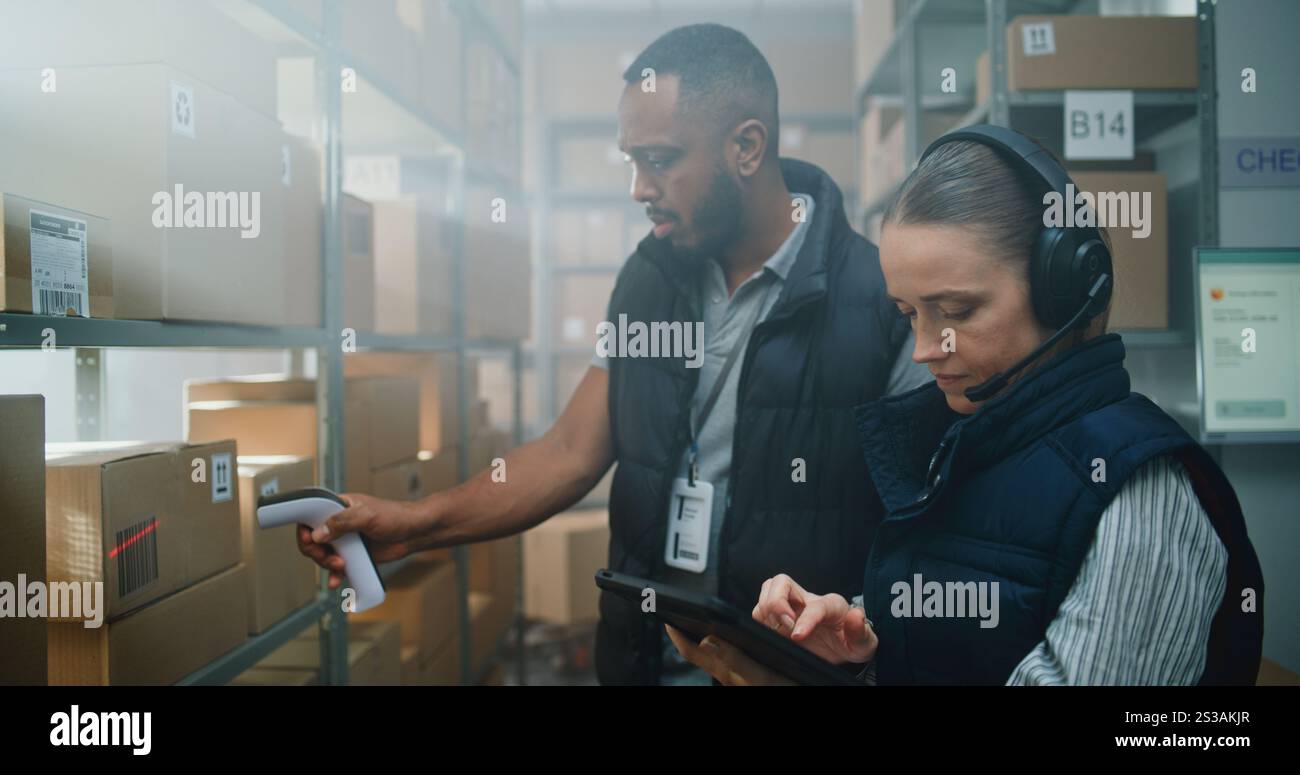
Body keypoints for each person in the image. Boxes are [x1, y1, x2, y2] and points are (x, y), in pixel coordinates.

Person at [297, 23, 930, 685]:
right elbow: (569, 450)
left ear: (746, 147)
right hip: (641, 661)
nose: (638, 187)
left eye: (659, 159)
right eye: (630, 160)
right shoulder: (649, 278)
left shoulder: (879, 303)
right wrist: (414, 523)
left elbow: (921, 537)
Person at [669, 125, 1265, 685]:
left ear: (1063, 287)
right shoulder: (965, 444)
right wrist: (858, 646)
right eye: (908, 315)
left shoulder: (1138, 494)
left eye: (956, 312)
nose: (927, 349)